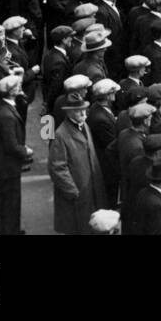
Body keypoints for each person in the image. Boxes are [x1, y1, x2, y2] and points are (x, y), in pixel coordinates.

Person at [49, 99, 106, 235]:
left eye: (84, 109)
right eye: (77, 110)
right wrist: (72, 191)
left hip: (90, 188)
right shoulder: (60, 134)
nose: (82, 113)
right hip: (76, 193)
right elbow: (56, 167)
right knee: (77, 228)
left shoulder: (84, 125)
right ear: (68, 112)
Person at [0, 75, 32, 236]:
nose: (20, 88)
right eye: (17, 86)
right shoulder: (6, 115)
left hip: (4, 164)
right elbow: (11, 145)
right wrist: (25, 151)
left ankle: (12, 229)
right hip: (8, 165)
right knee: (10, 202)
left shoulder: (2, 107)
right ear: (12, 91)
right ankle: (9, 231)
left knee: (11, 201)